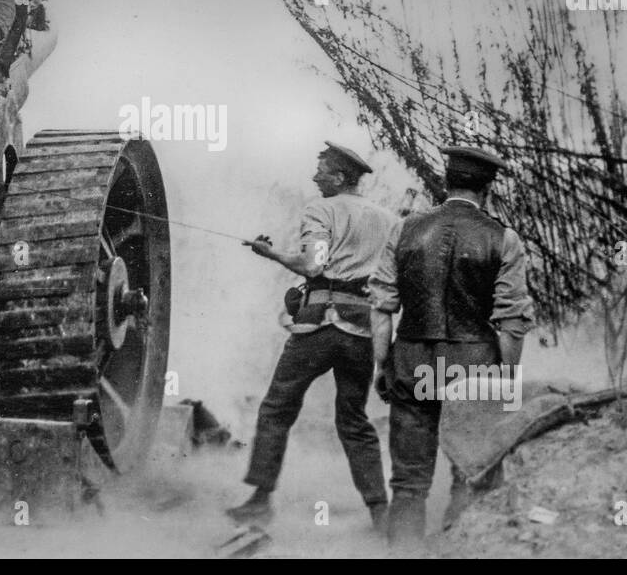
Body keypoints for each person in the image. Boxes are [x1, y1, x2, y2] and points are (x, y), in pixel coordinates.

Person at [368, 146, 534, 553]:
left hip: (411, 362)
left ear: (446, 181)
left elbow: (382, 308)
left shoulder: (405, 229)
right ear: (488, 187)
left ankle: (402, 552)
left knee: (408, 480)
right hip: (473, 370)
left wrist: (381, 364)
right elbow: (512, 323)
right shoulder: (503, 238)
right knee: (468, 473)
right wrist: (506, 379)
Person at [227, 143, 393, 532]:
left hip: (318, 327)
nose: (315, 176)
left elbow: (312, 264)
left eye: (321, 170)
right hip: (363, 331)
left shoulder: (321, 210)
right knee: (354, 420)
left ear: (338, 177)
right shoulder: (388, 220)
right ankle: (380, 512)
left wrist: (270, 253)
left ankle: (259, 501)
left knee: (276, 409)